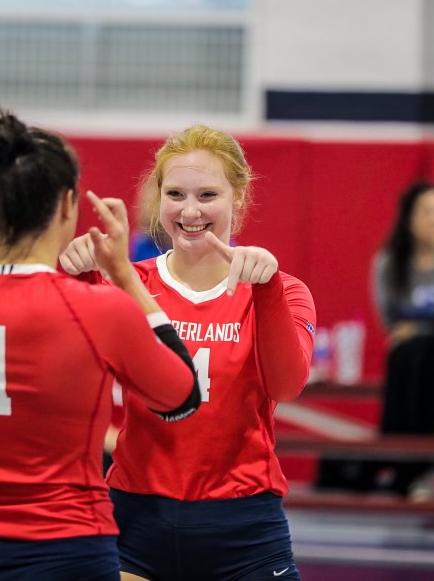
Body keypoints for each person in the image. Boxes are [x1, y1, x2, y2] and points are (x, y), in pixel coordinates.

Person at [0, 110, 200, 581]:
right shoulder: (100, 309)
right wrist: (125, 276)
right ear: (67, 205)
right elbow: (181, 396)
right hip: (64, 548)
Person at [60, 124, 316, 581]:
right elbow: (71, 375)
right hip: (137, 522)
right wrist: (77, 279)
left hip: (245, 526)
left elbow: (286, 384)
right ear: (159, 199)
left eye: (208, 195)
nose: (190, 211)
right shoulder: (124, 281)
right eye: (175, 193)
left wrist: (268, 291)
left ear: (238, 197)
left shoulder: (284, 289)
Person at [318, 181, 434, 500]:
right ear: (409, 218)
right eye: (427, 211)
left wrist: (423, 330)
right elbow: (392, 325)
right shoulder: (389, 263)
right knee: (417, 354)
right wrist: (432, 329)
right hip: (414, 360)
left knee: (431, 352)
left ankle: (417, 465)